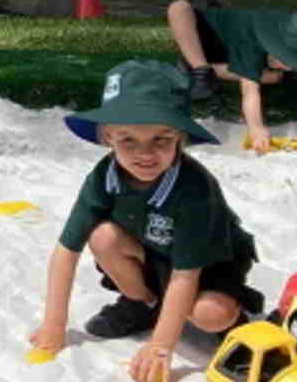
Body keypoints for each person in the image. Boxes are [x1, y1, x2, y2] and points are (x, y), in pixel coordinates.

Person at [28, 60, 265, 382]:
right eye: (128, 140)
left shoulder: (194, 189)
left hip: (208, 265)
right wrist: (54, 324)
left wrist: (160, 347)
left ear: (180, 137)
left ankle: (235, 317)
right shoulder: (103, 177)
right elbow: (66, 251)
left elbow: (186, 274)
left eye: (161, 139)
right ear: (108, 136)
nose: (145, 154)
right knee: (103, 237)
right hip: (153, 255)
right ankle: (142, 304)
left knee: (211, 314)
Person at [164, 0, 297, 153]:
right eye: (290, 61)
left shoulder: (285, 33)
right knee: (179, 7)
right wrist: (256, 128)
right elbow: (249, 90)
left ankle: (193, 71)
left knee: (273, 77)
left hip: (226, 60)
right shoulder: (252, 43)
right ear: (277, 47)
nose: (290, 67)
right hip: (199, 44)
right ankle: (199, 70)